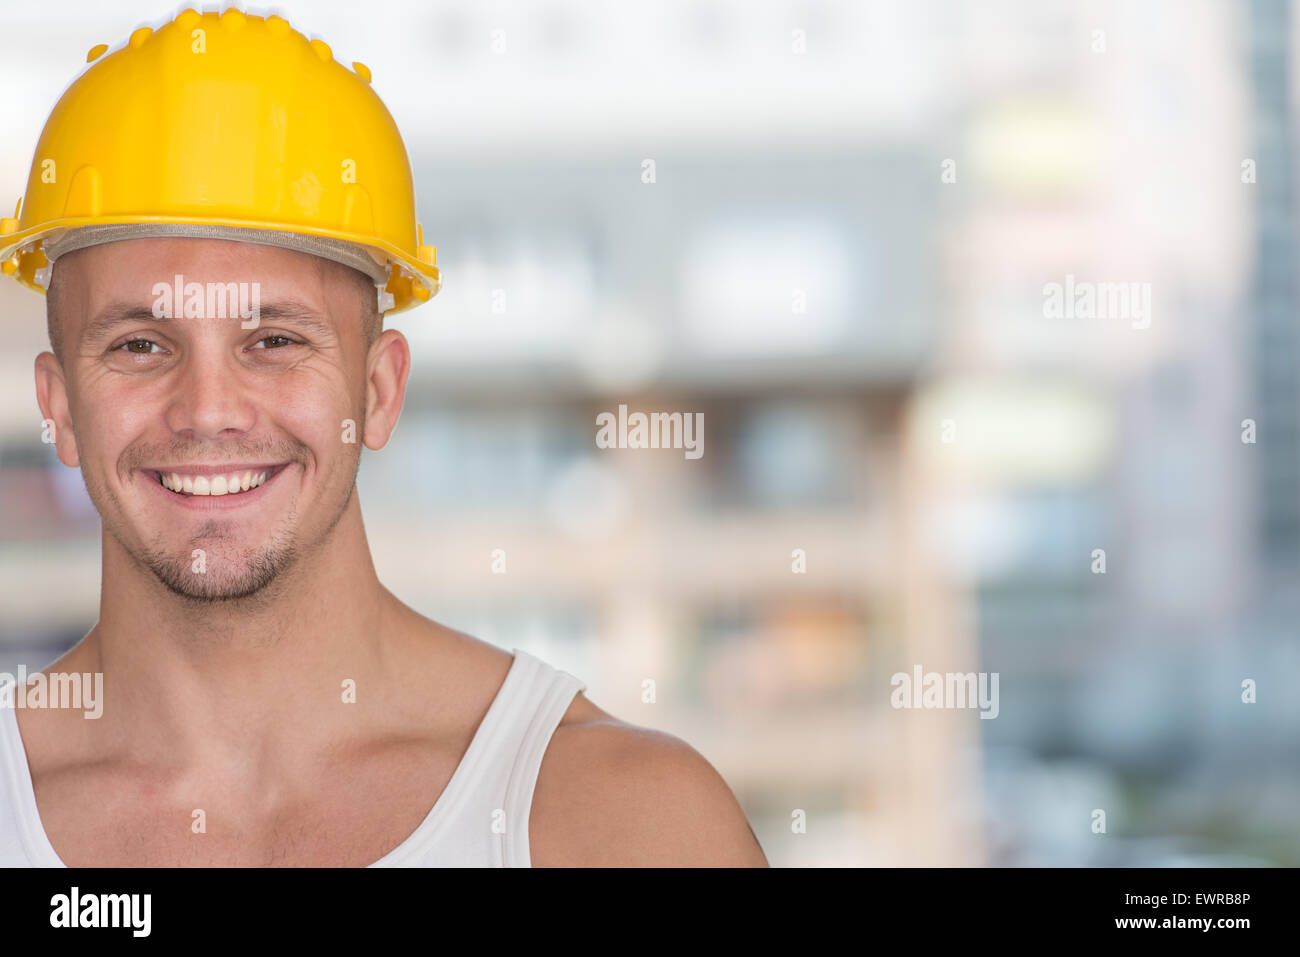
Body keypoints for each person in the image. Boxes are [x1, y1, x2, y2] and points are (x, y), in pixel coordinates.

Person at [0, 8, 766, 867]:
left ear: (379, 388)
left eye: (274, 341)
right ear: (59, 405)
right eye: (141, 345)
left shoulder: (622, 824)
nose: (208, 410)